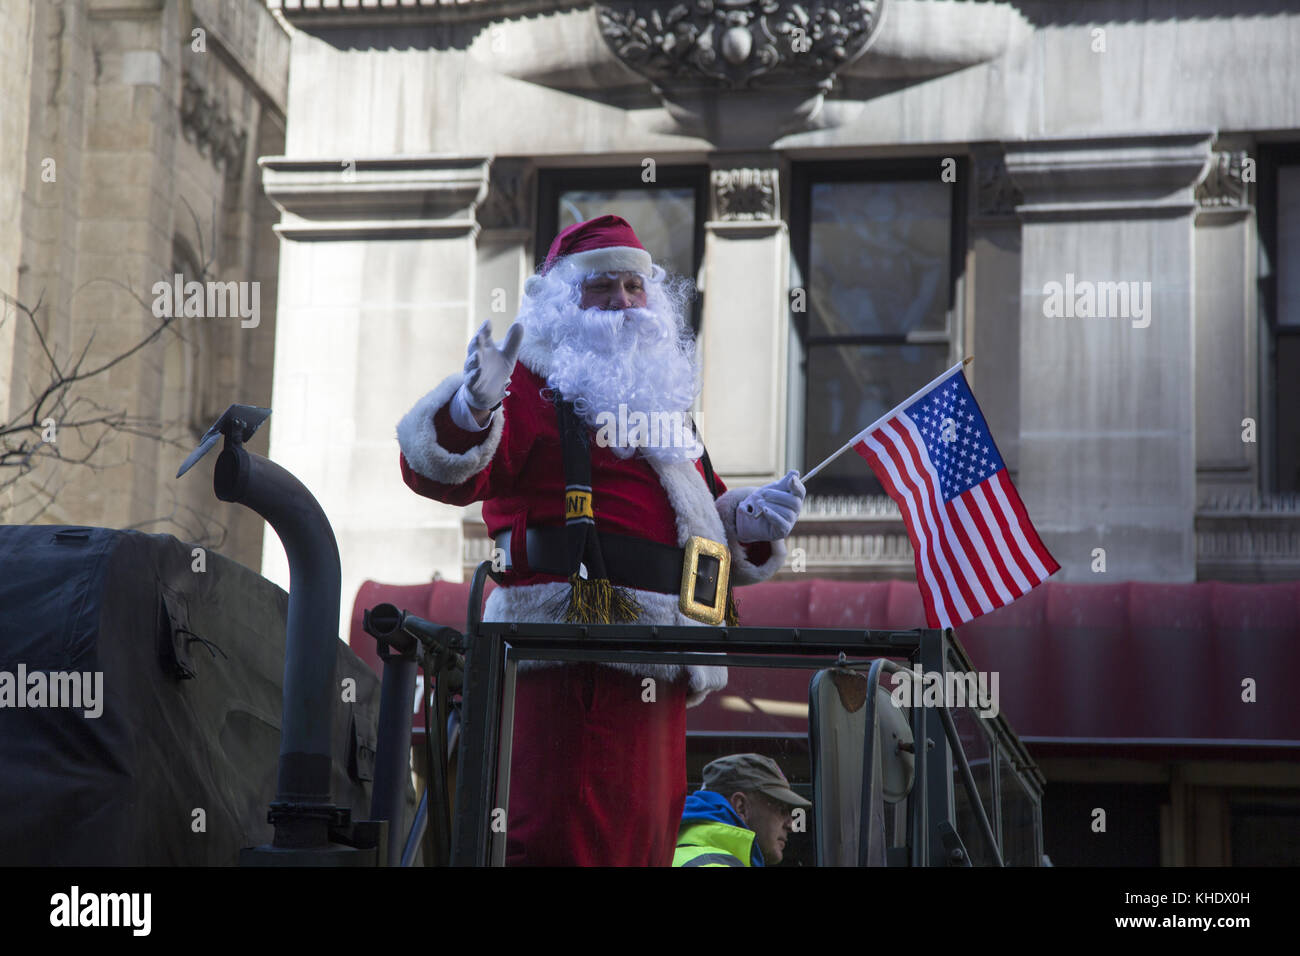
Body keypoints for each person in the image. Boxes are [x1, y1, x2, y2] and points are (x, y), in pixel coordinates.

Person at [396, 214, 806, 865]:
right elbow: (438, 472)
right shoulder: (533, 383)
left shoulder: (666, 409)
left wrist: (752, 521)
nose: (622, 303)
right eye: (603, 287)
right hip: (569, 653)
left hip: (664, 655)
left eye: (633, 289)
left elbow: (703, 518)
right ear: (565, 303)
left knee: (647, 837)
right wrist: (476, 403)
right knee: (566, 833)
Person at [674, 753, 812, 866]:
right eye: (781, 810)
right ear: (741, 807)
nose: (791, 825)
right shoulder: (710, 864)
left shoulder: (684, 855)